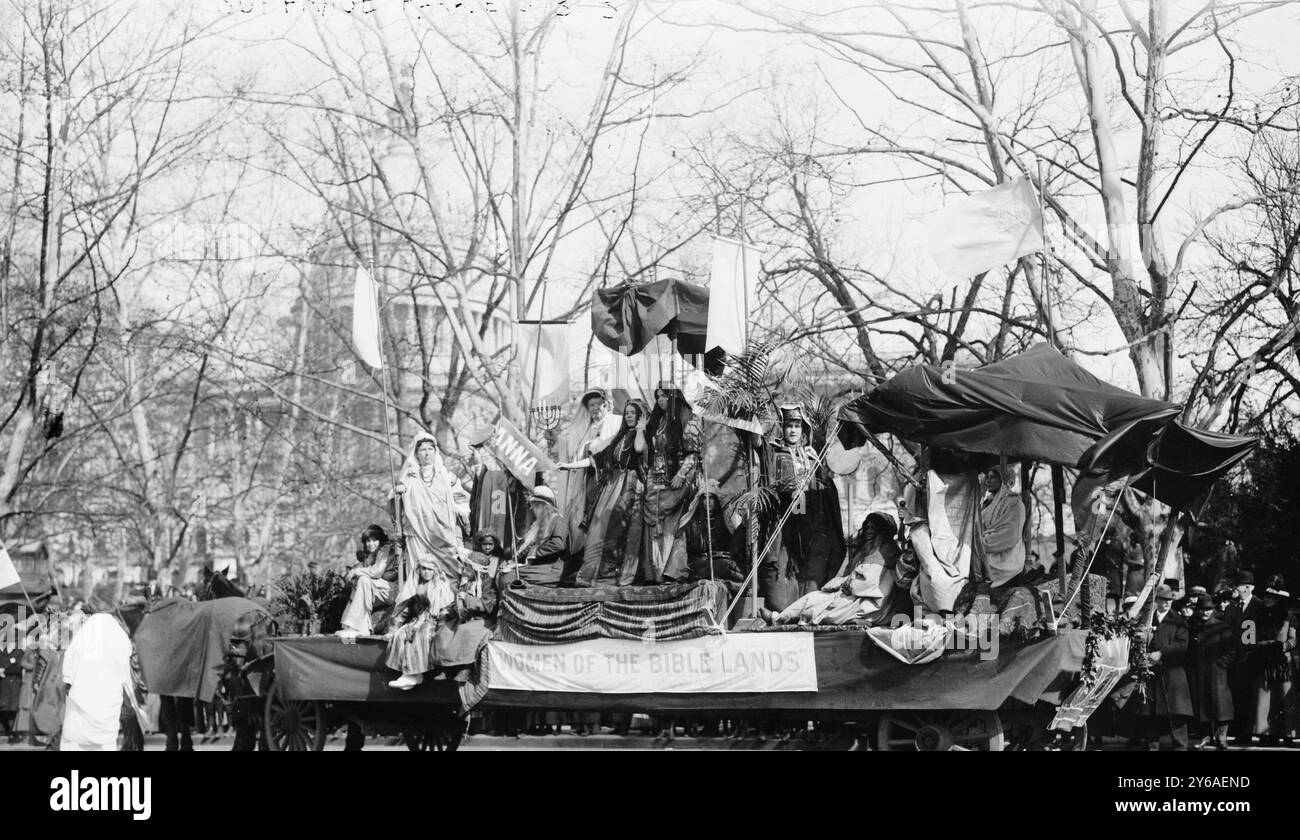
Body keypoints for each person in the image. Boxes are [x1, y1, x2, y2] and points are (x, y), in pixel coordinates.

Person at [761, 404, 845, 610]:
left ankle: (806, 607)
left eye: (797, 425)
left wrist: (819, 481)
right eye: (789, 425)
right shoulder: (773, 450)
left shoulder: (811, 455)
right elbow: (768, 480)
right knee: (781, 570)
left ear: (803, 429)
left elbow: (822, 488)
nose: (793, 430)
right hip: (783, 521)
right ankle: (783, 611)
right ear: (783, 427)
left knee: (812, 572)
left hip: (809, 521)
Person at [758, 511, 901, 627]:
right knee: (812, 597)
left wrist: (846, 583)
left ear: (881, 531)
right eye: (868, 527)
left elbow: (871, 583)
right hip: (852, 596)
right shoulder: (864, 551)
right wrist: (842, 583)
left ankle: (784, 619)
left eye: (873, 528)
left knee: (823, 608)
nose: (869, 531)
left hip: (869, 604)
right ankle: (777, 618)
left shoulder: (887, 550)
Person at [561, 399, 649, 587]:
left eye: (634, 413)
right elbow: (596, 460)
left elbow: (640, 449)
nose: (630, 416)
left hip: (630, 488)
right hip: (611, 487)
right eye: (627, 413)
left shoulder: (643, 436)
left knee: (620, 531)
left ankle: (615, 576)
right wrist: (568, 466)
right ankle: (593, 575)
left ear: (640, 415)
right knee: (598, 528)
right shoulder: (620, 437)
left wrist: (641, 429)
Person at [392, 431, 471, 602]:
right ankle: (415, 607)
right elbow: (395, 501)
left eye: (430, 449)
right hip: (418, 533)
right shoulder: (409, 476)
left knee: (448, 570)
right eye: (422, 450)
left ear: (436, 452)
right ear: (416, 453)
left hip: (442, 534)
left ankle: (447, 606)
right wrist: (399, 493)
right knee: (418, 570)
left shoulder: (446, 476)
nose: (427, 453)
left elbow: (461, 502)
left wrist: (459, 529)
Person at [641, 383, 699, 584]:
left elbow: (693, 453)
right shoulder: (659, 420)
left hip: (678, 478)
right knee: (655, 523)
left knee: (674, 526)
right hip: (657, 477)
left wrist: (681, 475)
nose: (660, 400)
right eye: (657, 397)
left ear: (673, 397)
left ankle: (674, 572)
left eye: (664, 396)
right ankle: (655, 573)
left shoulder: (687, 417)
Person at [60, 611, 136, 751]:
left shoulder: (81, 638)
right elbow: (125, 665)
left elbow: (69, 667)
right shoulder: (117, 637)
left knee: (78, 736)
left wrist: (69, 683)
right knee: (105, 739)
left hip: (82, 694)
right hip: (108, 695)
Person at [384, 559, 457, 690]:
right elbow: (404, 610)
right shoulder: (415, 586)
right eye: (424, 569)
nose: (427, 572)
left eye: (430, 569)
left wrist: (441, 628)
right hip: (417, 619)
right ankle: (411, 675)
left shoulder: (440, 586)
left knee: (420, 635)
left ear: (435, 571)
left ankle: (412, 673)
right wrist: (393, 629)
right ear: (419, 570)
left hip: (434, 621)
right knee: (401, 634)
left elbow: (446, 610)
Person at [556, 388, 622, 529]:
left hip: (610, 478)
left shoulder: (617, 422)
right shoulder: (585, 428)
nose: (595, 408)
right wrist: (554, 439)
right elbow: (570, 450)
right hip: (587, 480)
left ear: (606, 405)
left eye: (598, 404)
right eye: (592, 405)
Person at [1137, 584, 1193, 750]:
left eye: (1170, 600)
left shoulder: (1178, 620)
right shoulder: (1147, 619)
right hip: (1152, 671)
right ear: (1157, 601)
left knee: (1176, 711)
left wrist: (1161, 653)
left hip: (1172, 671)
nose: (1168, 603)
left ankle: (1180, 745)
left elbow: (1182, 645)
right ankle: (1152, 745)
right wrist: (1144, 656)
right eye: (1164, 600)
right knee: (1152, 711)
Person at [466, 425, 529, 550]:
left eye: (492, 441)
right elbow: (480, 473)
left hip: (508, 518)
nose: (490, 446)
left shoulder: (514, 466)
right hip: (489, 512)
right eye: (487, 443)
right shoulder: (487, 469)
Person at [1189, 594, 1235, 750]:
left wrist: (1221, 664)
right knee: (1202, 705)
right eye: (1202, 609)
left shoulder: (1221, 627)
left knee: (1221, 705)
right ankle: (1205, 736)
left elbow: (1232, 650)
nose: (1205, 613)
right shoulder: (1192, 626)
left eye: (1208, 610)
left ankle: (1221, 736)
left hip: (1217, 672)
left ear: (1213, 610)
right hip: (1198, 672)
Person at [337, 525, 402, 636]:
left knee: (364, 580)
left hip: (393, 592)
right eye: (368, 541)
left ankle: (352, 626)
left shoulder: (386, 549)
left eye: (374, 540)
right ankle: (353, 628)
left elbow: (376, 572)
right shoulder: (370, 557)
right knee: (360, 584)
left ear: (380, 540)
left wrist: (355, 572)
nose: (370, 544)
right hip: (377, 591)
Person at [1251, 575, 1292, 746]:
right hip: (1263, 661)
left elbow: (1294, 639)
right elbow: (1249, 639)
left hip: (1283, 663)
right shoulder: (1257, 616)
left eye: (1270, 597)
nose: (1266, 599)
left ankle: (1289, 734)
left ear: (1277, 599)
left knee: (1286, 699)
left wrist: (1283, 646)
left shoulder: (1288, 617)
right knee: (1264, 700)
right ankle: (1266, 734)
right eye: (1266, 597)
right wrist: (1261, 646)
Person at [1224, 569, 1264, 744]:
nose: (1235, 589)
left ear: (1247, 587)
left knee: (1248, 697)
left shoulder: (1259, 607)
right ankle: (1236, 731)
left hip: (1251, 660)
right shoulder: (1232, 607)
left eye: (1238, 586)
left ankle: (1245, 733)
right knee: (1235, 695)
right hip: (1233, 660)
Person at [511, 487, 573, 588]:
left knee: (509, 576)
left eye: (534, 506)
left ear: (544, 506)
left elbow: (558, 544)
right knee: (506, 572)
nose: (531, 509)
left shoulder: (558, 520)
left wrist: (534, 551)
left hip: (553, 569)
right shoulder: (537, 524)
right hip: (541, 566)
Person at [977, 467, 1025, 587]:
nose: (987, 480)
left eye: (992, 477)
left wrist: (980, 543)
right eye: (987, 477)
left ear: (1003, 480)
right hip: (986, 551)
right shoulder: (986, 503)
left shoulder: (1014, 503)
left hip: (1006, 559)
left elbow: (1010, 535)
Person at [1, 639, 20, 741]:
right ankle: (8, 730)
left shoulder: (18, 652)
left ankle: (12, 732)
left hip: (14, 683)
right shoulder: (3, 652)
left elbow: (18, 667)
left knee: (13, 708)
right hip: (3, 683)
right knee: (3, 707)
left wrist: (5, 669)